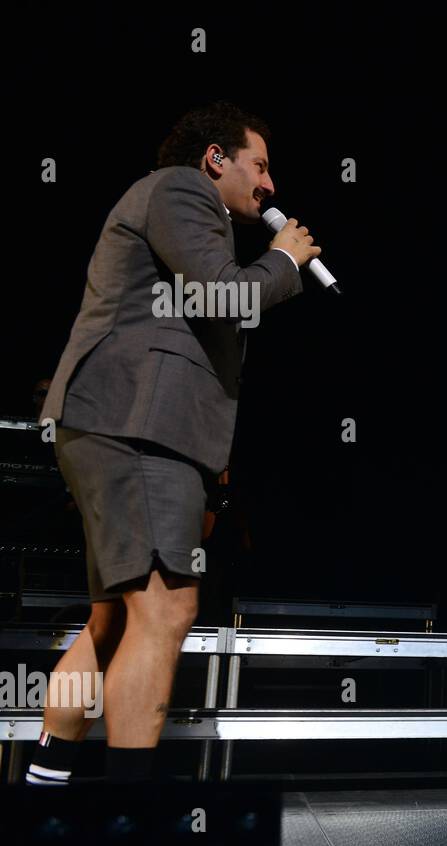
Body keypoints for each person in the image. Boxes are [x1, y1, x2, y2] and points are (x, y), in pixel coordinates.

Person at [28, 102, 319, 785]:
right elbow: (225, 295)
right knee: (168, 605)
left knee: (110, 619)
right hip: (137, 423)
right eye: (260, 164)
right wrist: (285, 262)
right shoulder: (183, 189)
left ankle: (46, 782)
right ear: (215, 158)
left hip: (114, 420)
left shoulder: (172, 203)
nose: (270, 184)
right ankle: (128, 815)